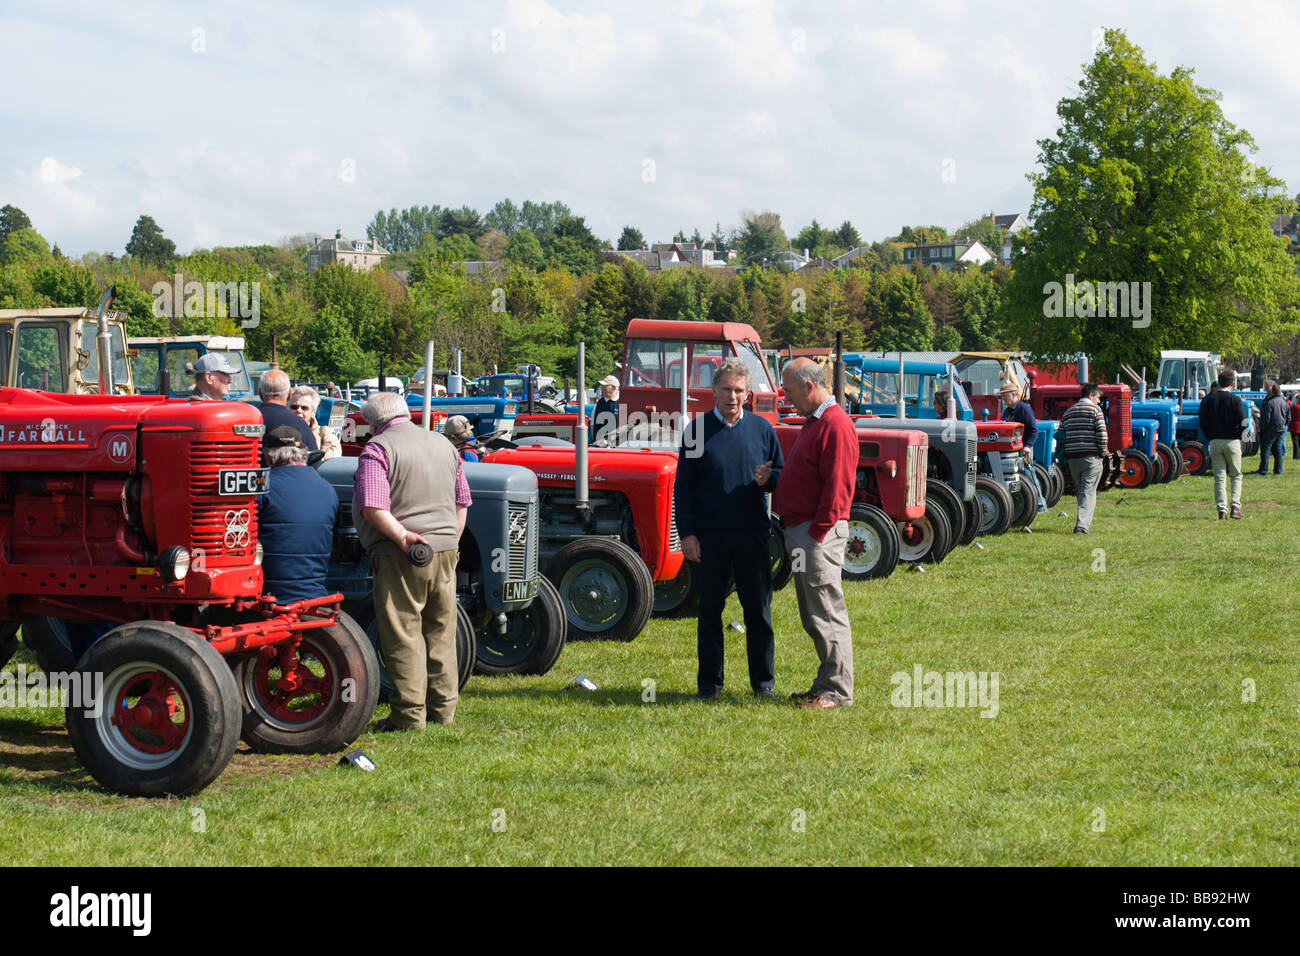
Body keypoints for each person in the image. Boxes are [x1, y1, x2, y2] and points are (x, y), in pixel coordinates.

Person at [354, 391, 471, 730]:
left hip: (400, 552)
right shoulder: (444, 445)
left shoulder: (378, 449)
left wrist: (403, 537)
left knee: (403, 632)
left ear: (373, 422)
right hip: (447, 548)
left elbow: (374, 508)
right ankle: (443, 710)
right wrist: (451, 537)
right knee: (441, 631)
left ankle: (408, 716)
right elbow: (462, 501)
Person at [674, 358, 785, 700]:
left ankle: (763, 683)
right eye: (726, 389)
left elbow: (780, 474)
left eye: (739, 390)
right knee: (709, 612)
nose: (732, 396)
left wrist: (770, 480)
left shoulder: (763, 430)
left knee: (759, 612)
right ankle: (710, 685)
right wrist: (687, 534)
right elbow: (684, 486)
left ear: (748, 393)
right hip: (710, 537)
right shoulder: (696, 430)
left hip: (752, 535)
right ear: (714, 391)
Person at [773, 358, 857, 710]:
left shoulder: (834, 425)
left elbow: (838, 487)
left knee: (825, 611)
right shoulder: (818, 421)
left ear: (810, 387)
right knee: (813, 614)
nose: (787, 399)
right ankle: (825, 684)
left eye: (791, 392)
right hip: (805, 531)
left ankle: (836, 692)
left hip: (814, 533)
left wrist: (818, 533)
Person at [257, 426, 339, 602]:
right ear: (303, 453)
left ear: (269, 455)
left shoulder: (262, 487)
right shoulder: (328, 489)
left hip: (268, 592)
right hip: (315, 591)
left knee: (207, 617)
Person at [1198, 369, 1248, 519]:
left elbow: (1202, 422)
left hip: (1214, 441)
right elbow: (1243, 421)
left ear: (1218, 383)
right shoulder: (1235, 400)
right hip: (1232, 440)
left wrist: (1210, 437)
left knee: (1219, 477)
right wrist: (1240, 436)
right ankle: (1235, 507)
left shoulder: (1209, 400)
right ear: (1232, 383)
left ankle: (1222, 511)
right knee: (1236, 475)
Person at [1058, 383, 1108, 535]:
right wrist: (1103, 452)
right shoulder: (1095, 410)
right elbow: (1102, 434)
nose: (1099, 401)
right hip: (1091, 456)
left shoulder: (1068, 412)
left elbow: (1061, 434)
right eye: (1098, 397)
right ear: (1091, 396)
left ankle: (1083, 522)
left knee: (1081, 491)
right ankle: (1082, 527)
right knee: (1088, 492)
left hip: (1073, 458)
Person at [1000, 382, 1044, 513]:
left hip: (1023, 450)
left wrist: (1028, 447)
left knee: (1030, 475)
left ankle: (1041, 504)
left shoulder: (1024, 409)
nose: (1003, 399)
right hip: (1012, 451)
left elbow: (1034, 430)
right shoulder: (1007, 411)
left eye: (1004, 395)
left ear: (1013, 395)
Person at [258, 370, 317, 466]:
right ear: (289, 394)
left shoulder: (244, 421)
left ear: (260, 393)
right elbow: (314, 463)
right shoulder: (300, 425)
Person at [289, 385, 342, 461]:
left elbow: (332, 457)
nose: (299, 411)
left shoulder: (324, 433)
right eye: (294, 407)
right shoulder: (280, 432)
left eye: (304, 408)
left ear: (313, 412)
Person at [1257, 381, 1289, 476]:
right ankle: (1278, 470)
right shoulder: (1284, 402)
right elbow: (1288, 417)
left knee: (1266, 449)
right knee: (1278, 450)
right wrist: (1284, 425)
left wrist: (1262, 428)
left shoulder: (1269, 402)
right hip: (1281, 428)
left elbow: (1266, 418)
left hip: (1270, 429)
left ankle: (1263, 470)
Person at [592, 375, 621, 442]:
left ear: (613, 387)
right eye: (602, 386)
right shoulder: (600, 402)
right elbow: (595, 426)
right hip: (601, 443)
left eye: (604, 386)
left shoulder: (623, 401)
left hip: (618, 444)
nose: (601, 388)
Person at [1290, 392, 1300, 460]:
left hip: (1295, 426)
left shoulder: (1294, 407)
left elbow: (1290, 415)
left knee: (1295, 442)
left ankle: (1296, 455)